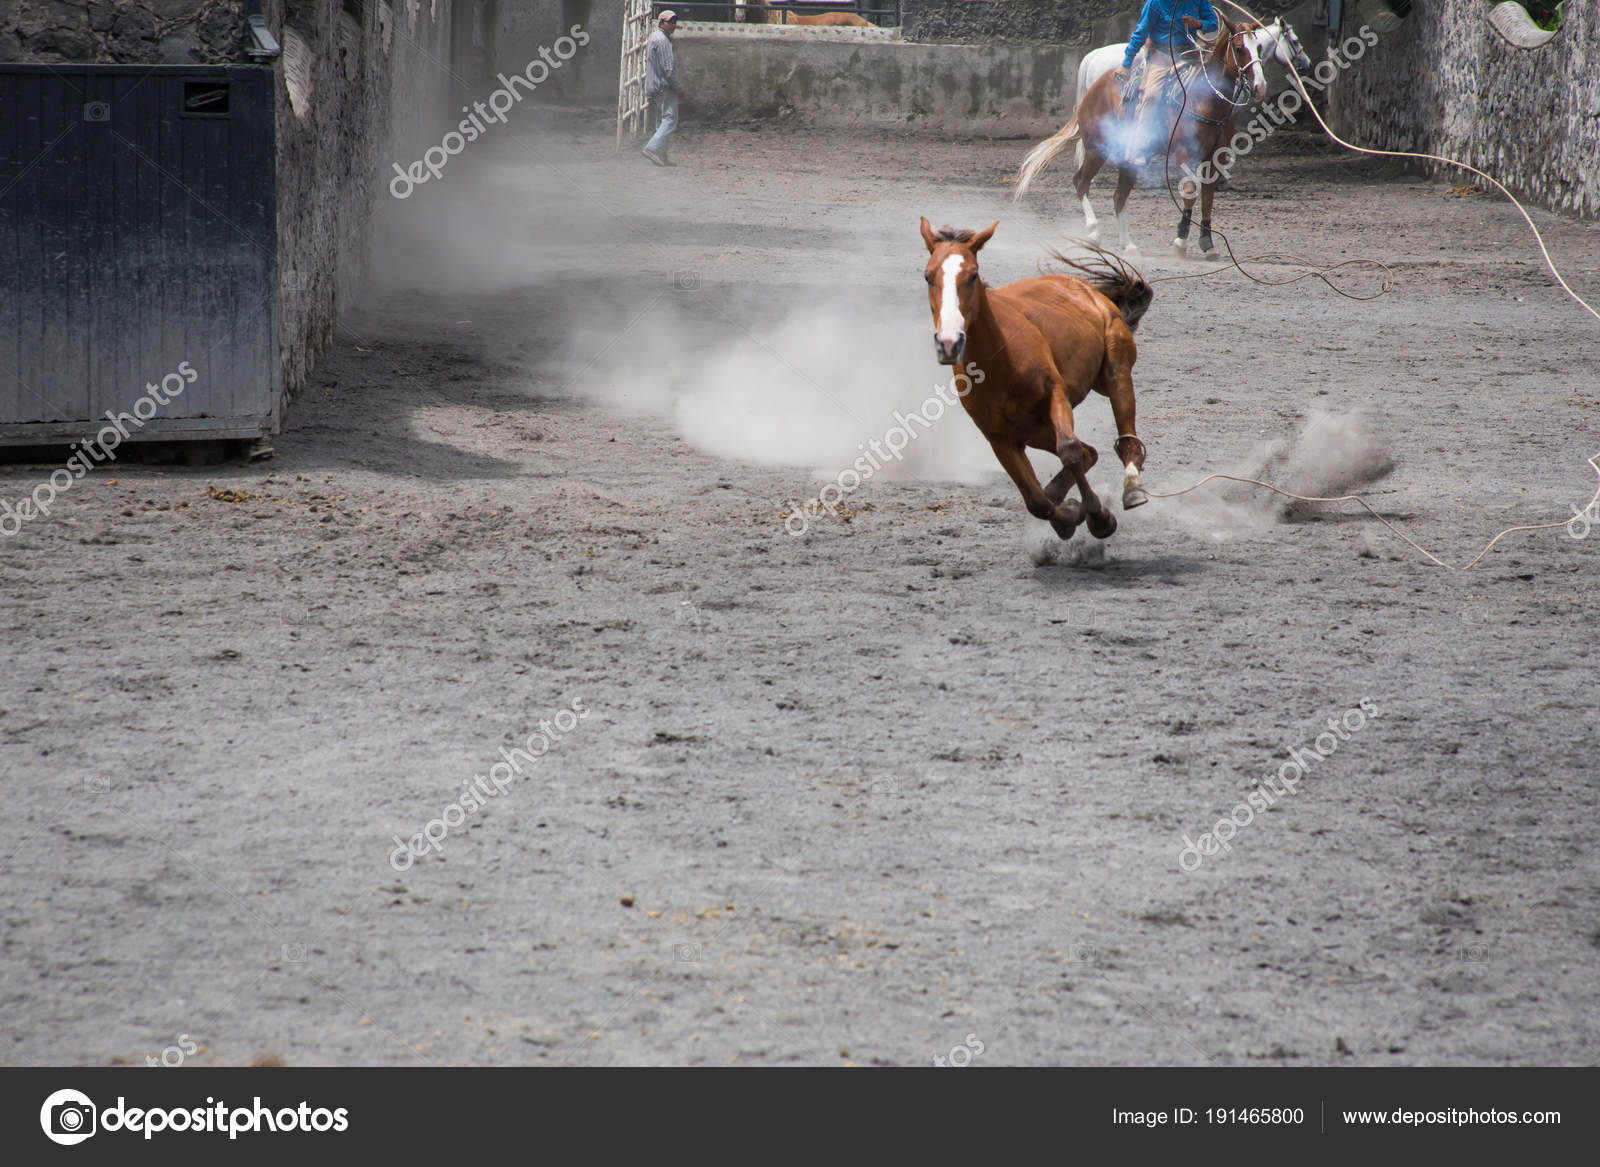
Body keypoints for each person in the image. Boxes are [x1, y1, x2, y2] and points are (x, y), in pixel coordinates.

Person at [1113, 0, 1217, 162]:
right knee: (1151, 96)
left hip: (1191, 55)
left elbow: (1213, 24)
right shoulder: (1155, 3)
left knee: (1211, 90)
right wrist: (1126, 63)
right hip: (1162, 55)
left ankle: (1214, 145)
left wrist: (1198, 23)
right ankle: (1140, 147)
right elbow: (1140, 32)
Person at [642, 11, 683, 167]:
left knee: (661, 122)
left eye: (674, 22)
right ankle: (652, 148)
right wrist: (678, 87)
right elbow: (668, 69)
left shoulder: (654, 37)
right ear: (661, 23)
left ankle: (661, 155)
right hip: (664, 86)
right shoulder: (663, 40)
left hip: (654, 86)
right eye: (670, 22)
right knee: (670, 119)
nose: (673, 25)